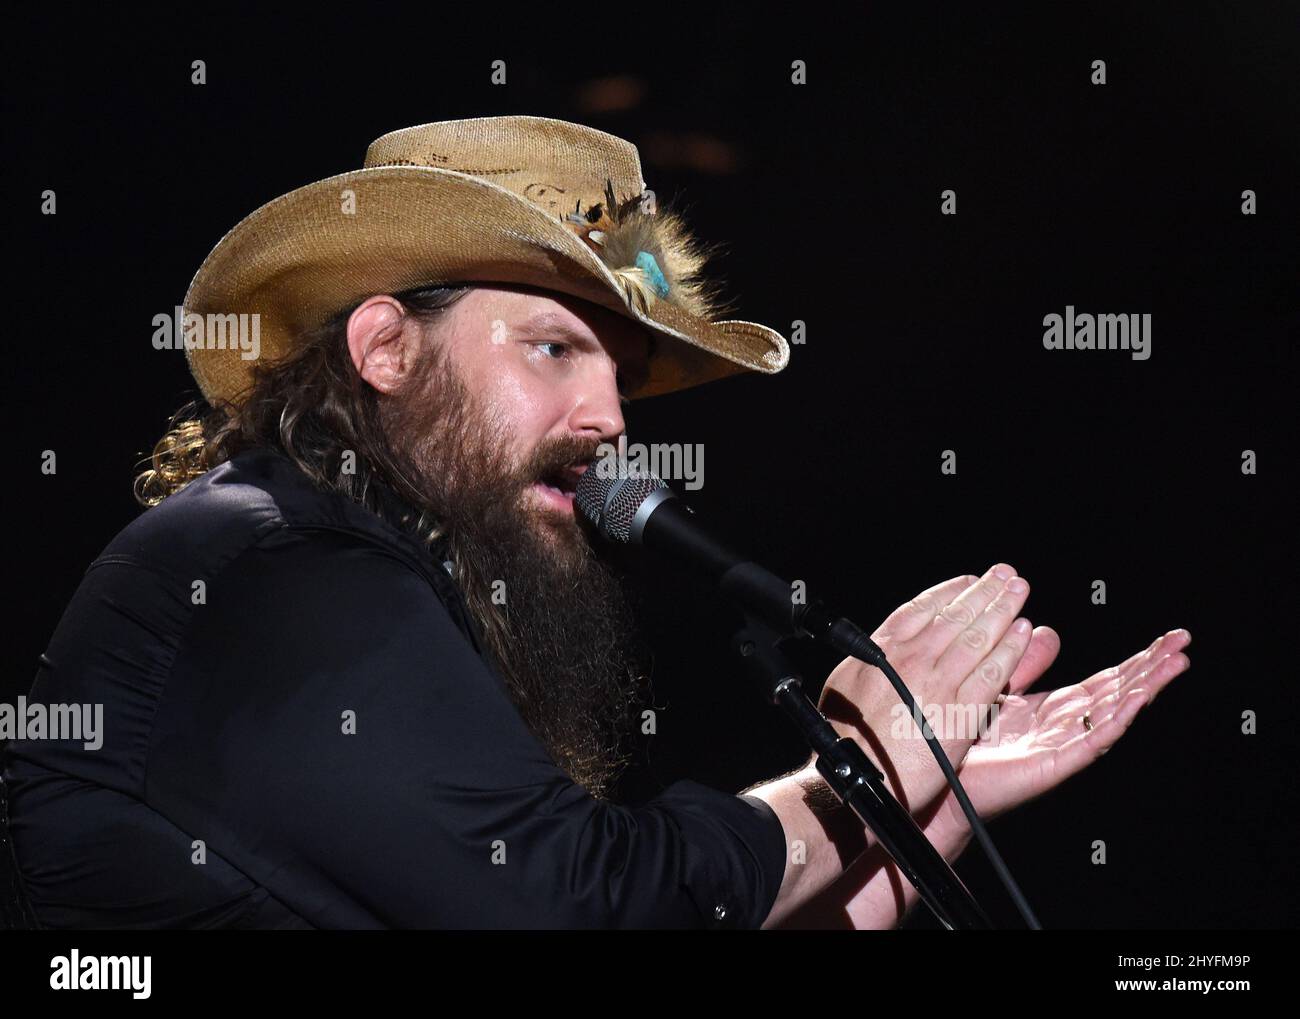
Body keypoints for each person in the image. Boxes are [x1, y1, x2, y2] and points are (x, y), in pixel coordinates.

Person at [0, 116, 1191, 929]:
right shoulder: (273, 561)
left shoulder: (366, 571)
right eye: (555, 348)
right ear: (383, 346)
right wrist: (856, 774)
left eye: (620, 372)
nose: (611, 417)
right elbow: (565, 901)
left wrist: (873, 848)